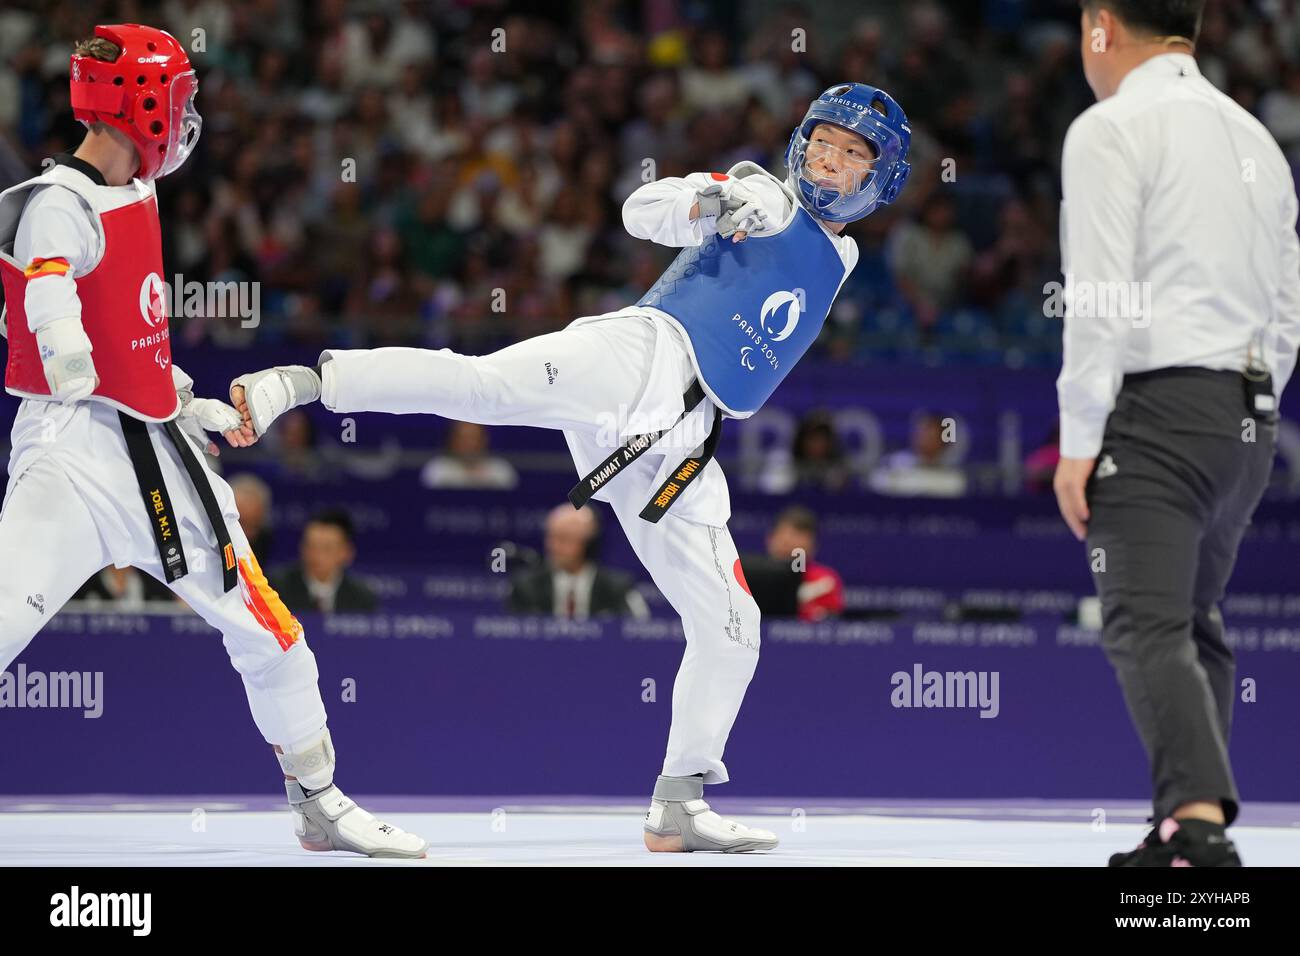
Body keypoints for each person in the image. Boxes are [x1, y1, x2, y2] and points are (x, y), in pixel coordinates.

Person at [233, 82, 911, 853]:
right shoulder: (761, 190)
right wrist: (711, 202)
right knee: (482, 385)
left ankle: (678, 802)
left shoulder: (845, 257)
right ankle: (309, 382)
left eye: (853, 152)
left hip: (684, 437)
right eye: (823, 139)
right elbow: (640, 212)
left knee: (733, 623)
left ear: (876, 179)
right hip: (637, 357)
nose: (830, 156)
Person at [0, 26, 425, 858]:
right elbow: (49, 290)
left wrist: (182, 399)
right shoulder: (58, 202)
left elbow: (137, 333)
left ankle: (317, 799)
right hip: (71, 454)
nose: (188, 114)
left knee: (267, 630)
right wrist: (62, 345)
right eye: (180, 97)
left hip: (154, 449)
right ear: (143, 103)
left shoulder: (140, 195)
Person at [1055, 0, 1300, 866]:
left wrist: (1078, 440)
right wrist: (1252, 405)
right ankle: (1182, 828)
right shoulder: (1255, 139)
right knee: (1192, 622)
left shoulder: (1111, 128)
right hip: (1246, 417)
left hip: (1157, 412)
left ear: (1099, 26)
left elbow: (1100, 298)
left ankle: (1197, 830)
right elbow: (1286, 312)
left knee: (1145, 622)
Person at [508, 504, 650, 619]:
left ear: (588, 544)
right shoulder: (526, 587)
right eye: (551, 538)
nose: (553, 546)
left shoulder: (618, 588)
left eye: (563, 539)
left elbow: (638, 634)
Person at [271, 509, 379, 615]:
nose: (316, 555)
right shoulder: (276, 589)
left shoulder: (362, 598)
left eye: (326, 548)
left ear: (347, 552)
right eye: (311, 546)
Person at [765, 506, 845, 622]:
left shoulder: (826, 580)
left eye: (797, 536)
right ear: (770, 539)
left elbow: (830, 621)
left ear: (813, 545)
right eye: (782, 535)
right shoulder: (750, 577)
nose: (788, 542)